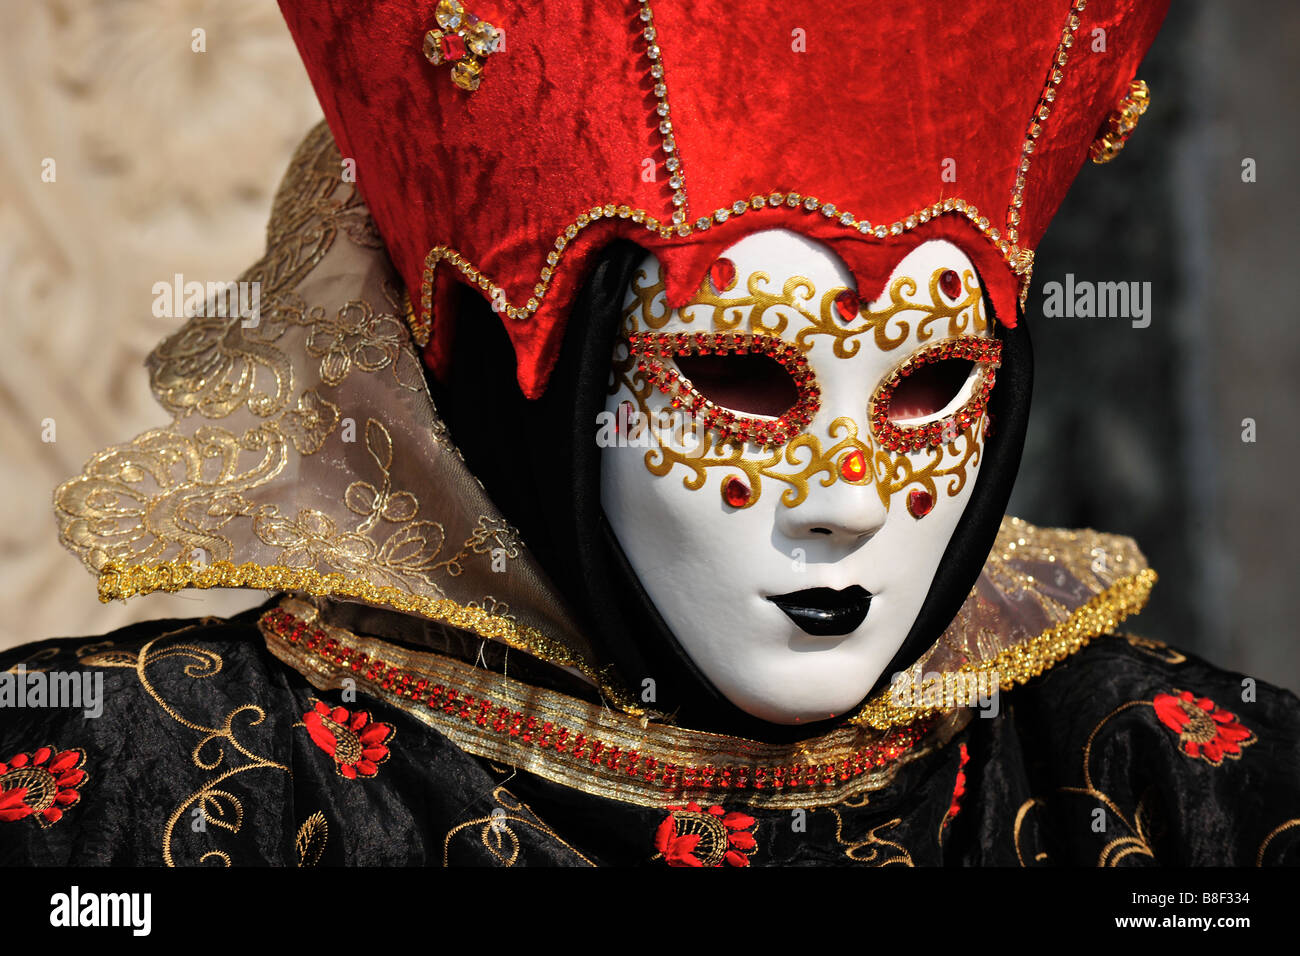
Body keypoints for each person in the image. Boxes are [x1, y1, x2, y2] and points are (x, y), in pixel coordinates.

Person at [3, 0, 1297, 866]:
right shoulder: (135, 790)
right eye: (738, 377)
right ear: (522, 390)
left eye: (931, 390)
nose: (846, 500)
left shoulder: (1171, 795)